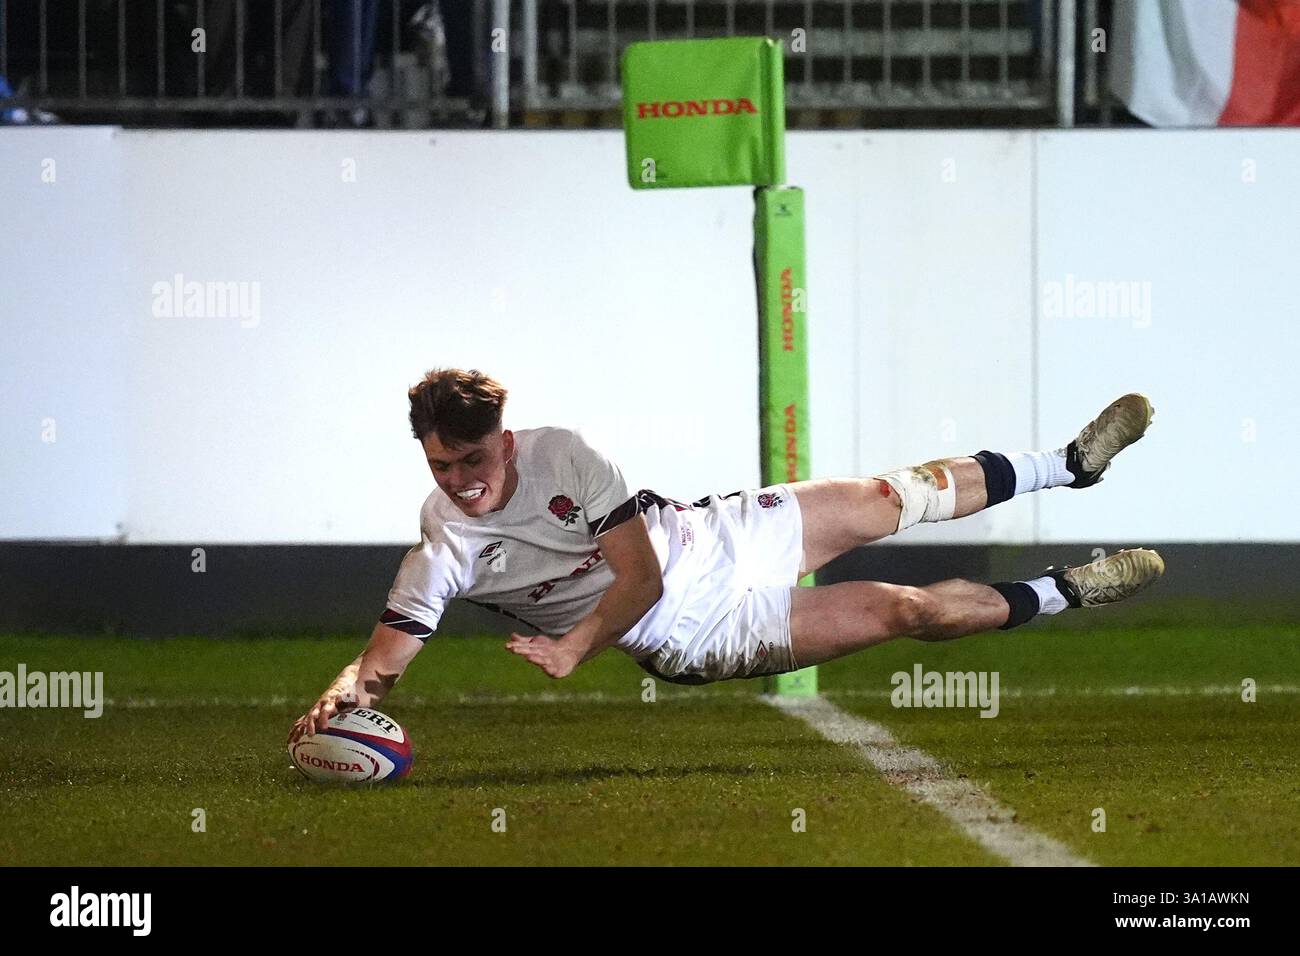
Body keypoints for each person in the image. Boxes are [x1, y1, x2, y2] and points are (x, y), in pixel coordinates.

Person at [289, 368, 1163, 738]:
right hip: (700, 631)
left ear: (506, 441)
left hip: (713, 537)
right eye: (441, 466)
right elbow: (383, 659)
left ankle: (1070, 465)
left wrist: (573, 644)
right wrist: (339, 697)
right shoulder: (444, 545)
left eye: (472, 461)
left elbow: (640, 569)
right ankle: (1067, 590)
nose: (461, 482)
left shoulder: (565, 453)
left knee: (887, 497)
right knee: (903, 608)